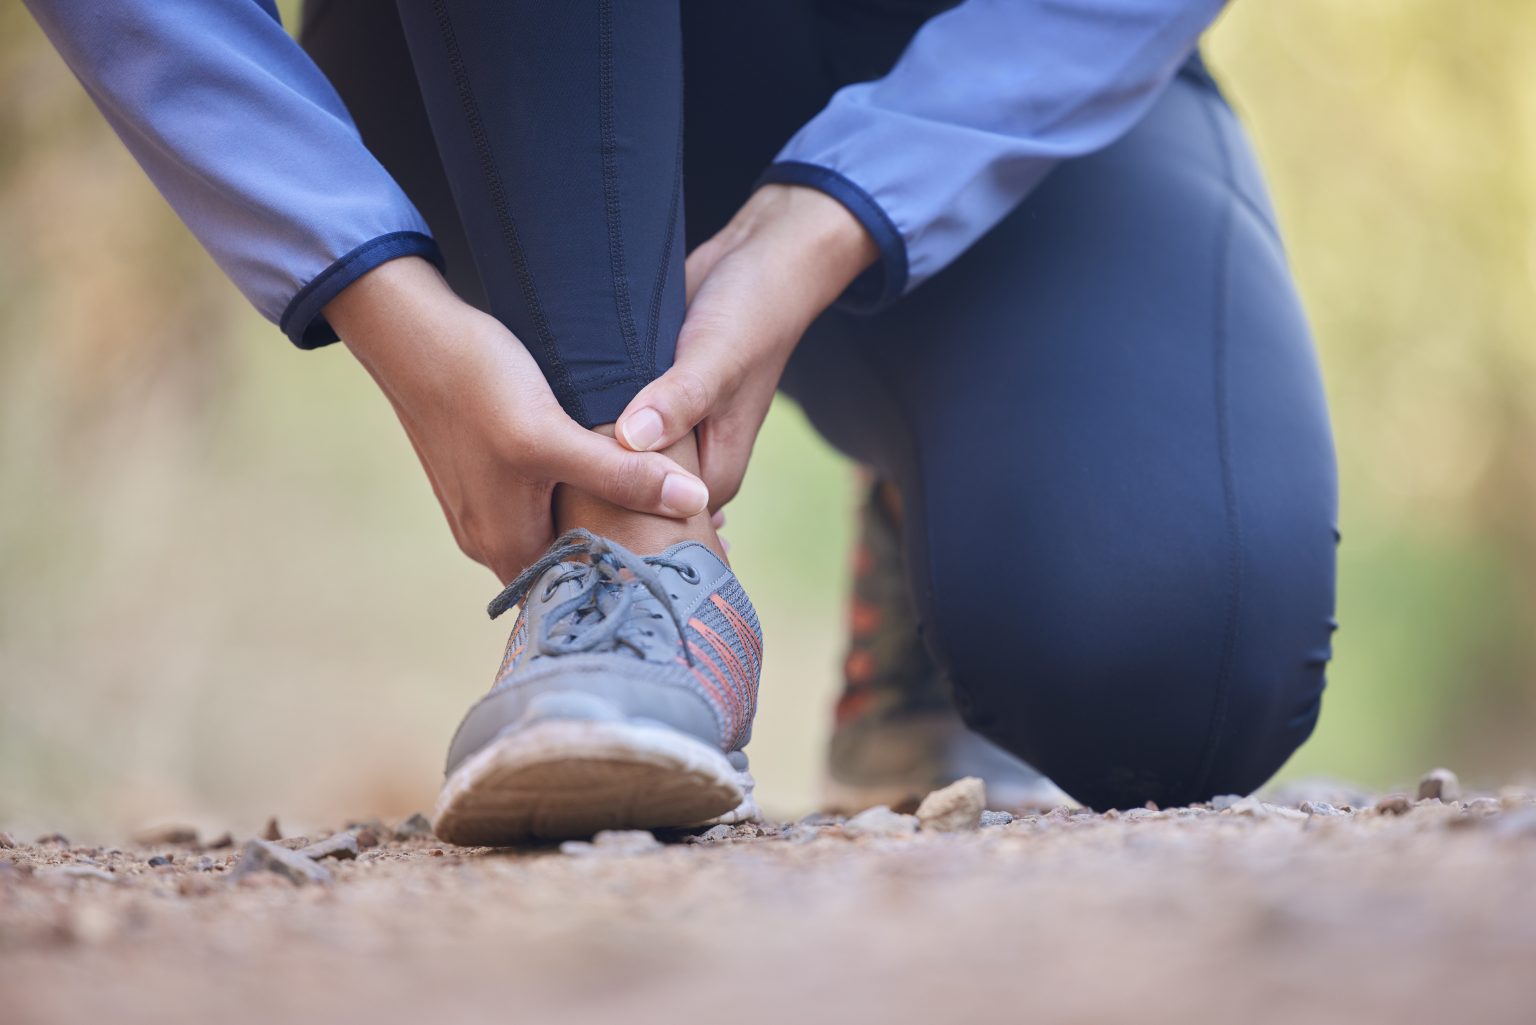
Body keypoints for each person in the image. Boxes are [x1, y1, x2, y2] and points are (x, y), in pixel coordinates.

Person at [26, 0, 1338, 841]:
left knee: (1183, 659)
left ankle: (926, 527)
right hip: (512, 61)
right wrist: (358, 267)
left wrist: (851, 203)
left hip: (986, 58)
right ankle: (629, 573)